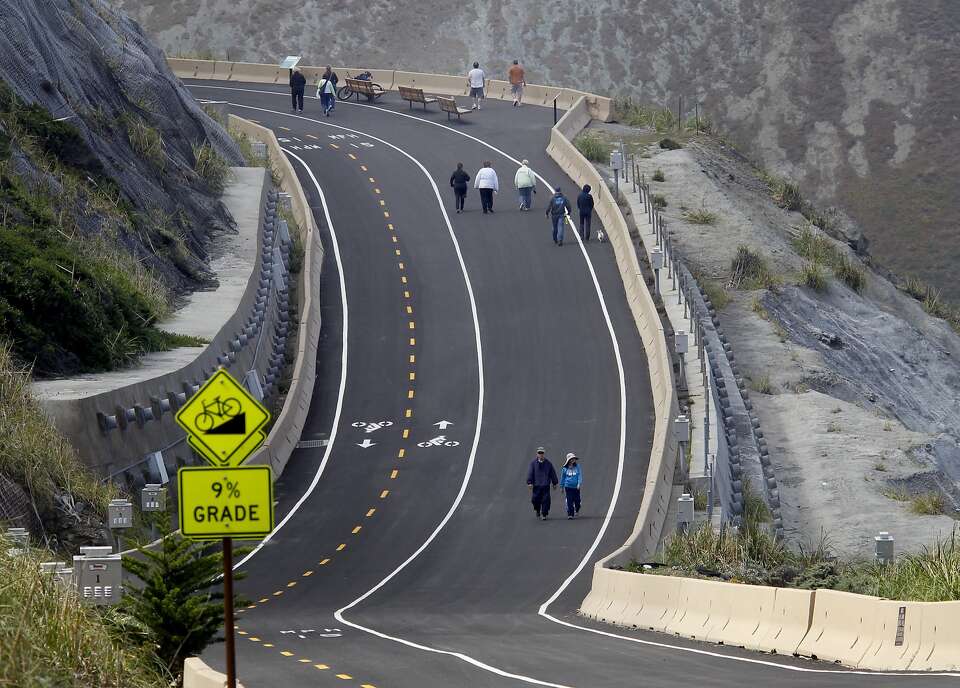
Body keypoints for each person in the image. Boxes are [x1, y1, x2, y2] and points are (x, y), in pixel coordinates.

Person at [526, 447, 558, 520]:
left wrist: (554, 483)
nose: (541, 454)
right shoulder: (533, 464)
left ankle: (544, 514)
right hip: (536, 486)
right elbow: (530, 473)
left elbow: (552, 473)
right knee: (534, 499)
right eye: (539, 453)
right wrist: (529, 482)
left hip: (545, 485)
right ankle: (537, 509)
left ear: (544, 454)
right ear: (537, 454)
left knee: (546, 500)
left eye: (542, 453)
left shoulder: (548, 464)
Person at [559, 453, 582, 519]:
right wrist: (562, 486)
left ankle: (577, 509)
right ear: (569, 460)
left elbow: (579, 475)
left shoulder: (577, 466)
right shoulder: (564, 468)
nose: (573, 460)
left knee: (577, 500)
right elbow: (563, 477)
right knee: (569, 500)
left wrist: (579, 483)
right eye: (571, 459)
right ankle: (570, 514)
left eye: (574, 459)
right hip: (568, 487)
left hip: (576, 487)